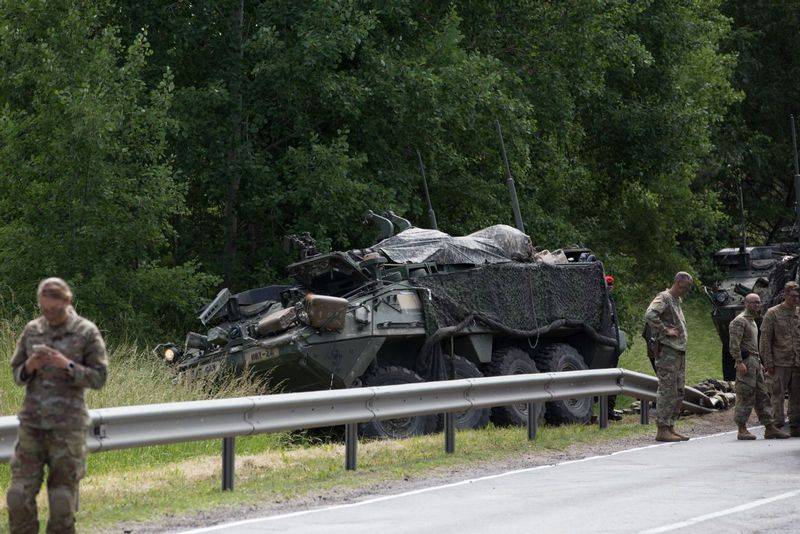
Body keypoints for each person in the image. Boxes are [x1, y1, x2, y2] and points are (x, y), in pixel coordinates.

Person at [6, 278, 108, 534]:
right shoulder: (32, 330)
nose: (49, 315)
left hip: (68, 428)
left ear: (67, 302)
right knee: (18, 496)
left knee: (62, 503)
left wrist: (68, 365)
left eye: (55, 310)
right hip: (32, 426)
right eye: (44, 310)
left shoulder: (86, 332)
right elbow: (16, 373)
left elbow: (99, 378)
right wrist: (30, 366)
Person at [729, 293, 789, 440]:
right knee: (745, 394)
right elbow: (734, 345)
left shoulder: (753, 321)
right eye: (753, 302)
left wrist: (759, 362)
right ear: (746, 303)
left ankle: (769, 427)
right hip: (746, 362)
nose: (757, 305)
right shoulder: (739, 321)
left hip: (755, 361)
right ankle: (742, 429)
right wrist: (739, 362)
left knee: (763, 395)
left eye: (758, 302)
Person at [645, 272, 692, 442]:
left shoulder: (677, 300)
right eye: (685, 288)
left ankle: (671, 425)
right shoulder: (664, 298)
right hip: (668, 351)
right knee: (667, 389)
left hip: (678, 351)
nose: (685, 291)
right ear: (678, 283)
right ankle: (662, 428)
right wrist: (665, 330)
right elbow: (650, 315)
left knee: (679, 390)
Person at [759, 281, 800, 436]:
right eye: (794, 296)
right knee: (777, 394)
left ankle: (795, 425)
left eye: (798, 296)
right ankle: (775, 426)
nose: (796, 299)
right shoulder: (773, 313)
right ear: (786, 295)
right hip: (779, 361)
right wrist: (768, 362)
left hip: (796, 362)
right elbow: (765, 339)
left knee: (797, 395)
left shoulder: (798, 313)